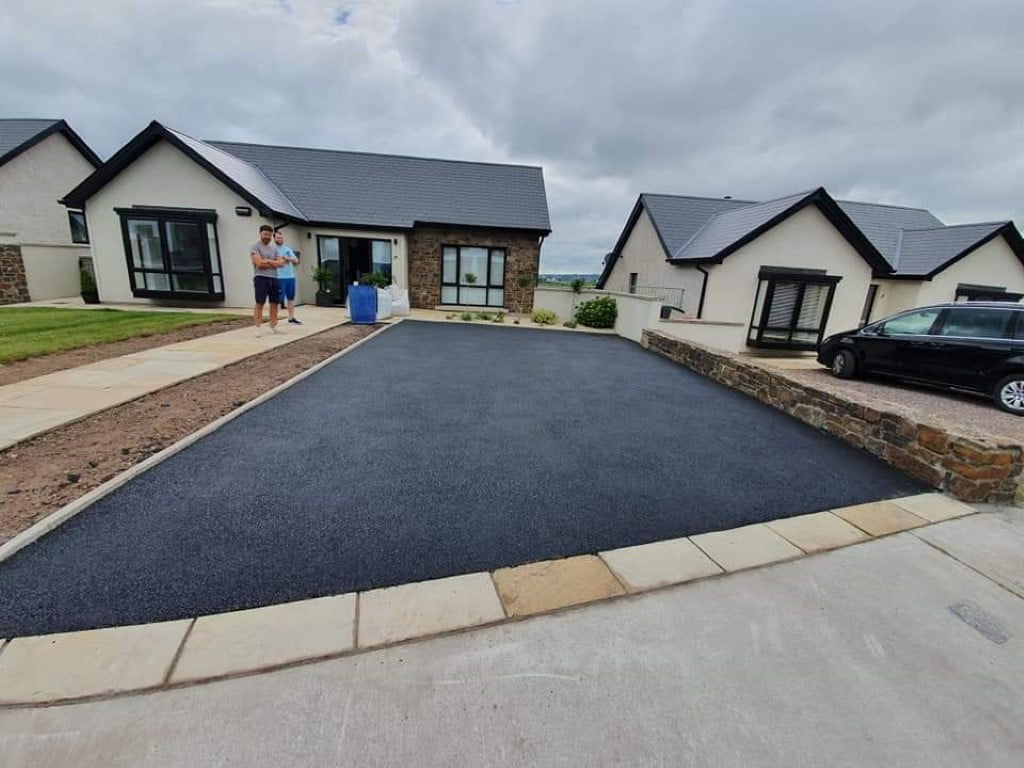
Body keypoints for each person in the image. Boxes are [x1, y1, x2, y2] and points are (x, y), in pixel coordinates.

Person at [251, 225, 285, 336]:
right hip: (261, 277)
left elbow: (281, 263)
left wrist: (268, 261)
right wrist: (273, 262)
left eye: (269, 235)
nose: (267, 237)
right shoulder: (255, 247)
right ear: (260, 233)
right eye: (265, 234)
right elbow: (259, 263)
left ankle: (273, 326)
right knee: (259, 303)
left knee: (274, 303)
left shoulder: (274, 248)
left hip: (274, 278)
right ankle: (258, 327)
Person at [274, 230, 301, 324]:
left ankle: (291, 317)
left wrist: (287, 258)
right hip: (279, 278)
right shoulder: (272, 249)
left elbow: (296, 261)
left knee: (291, 298)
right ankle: (274, 319)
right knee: (277, 299)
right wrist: (281, 260)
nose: (280, 239)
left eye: (281, 238)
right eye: (278, 238)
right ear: (274, 238)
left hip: (290, 277)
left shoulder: (287, 249)